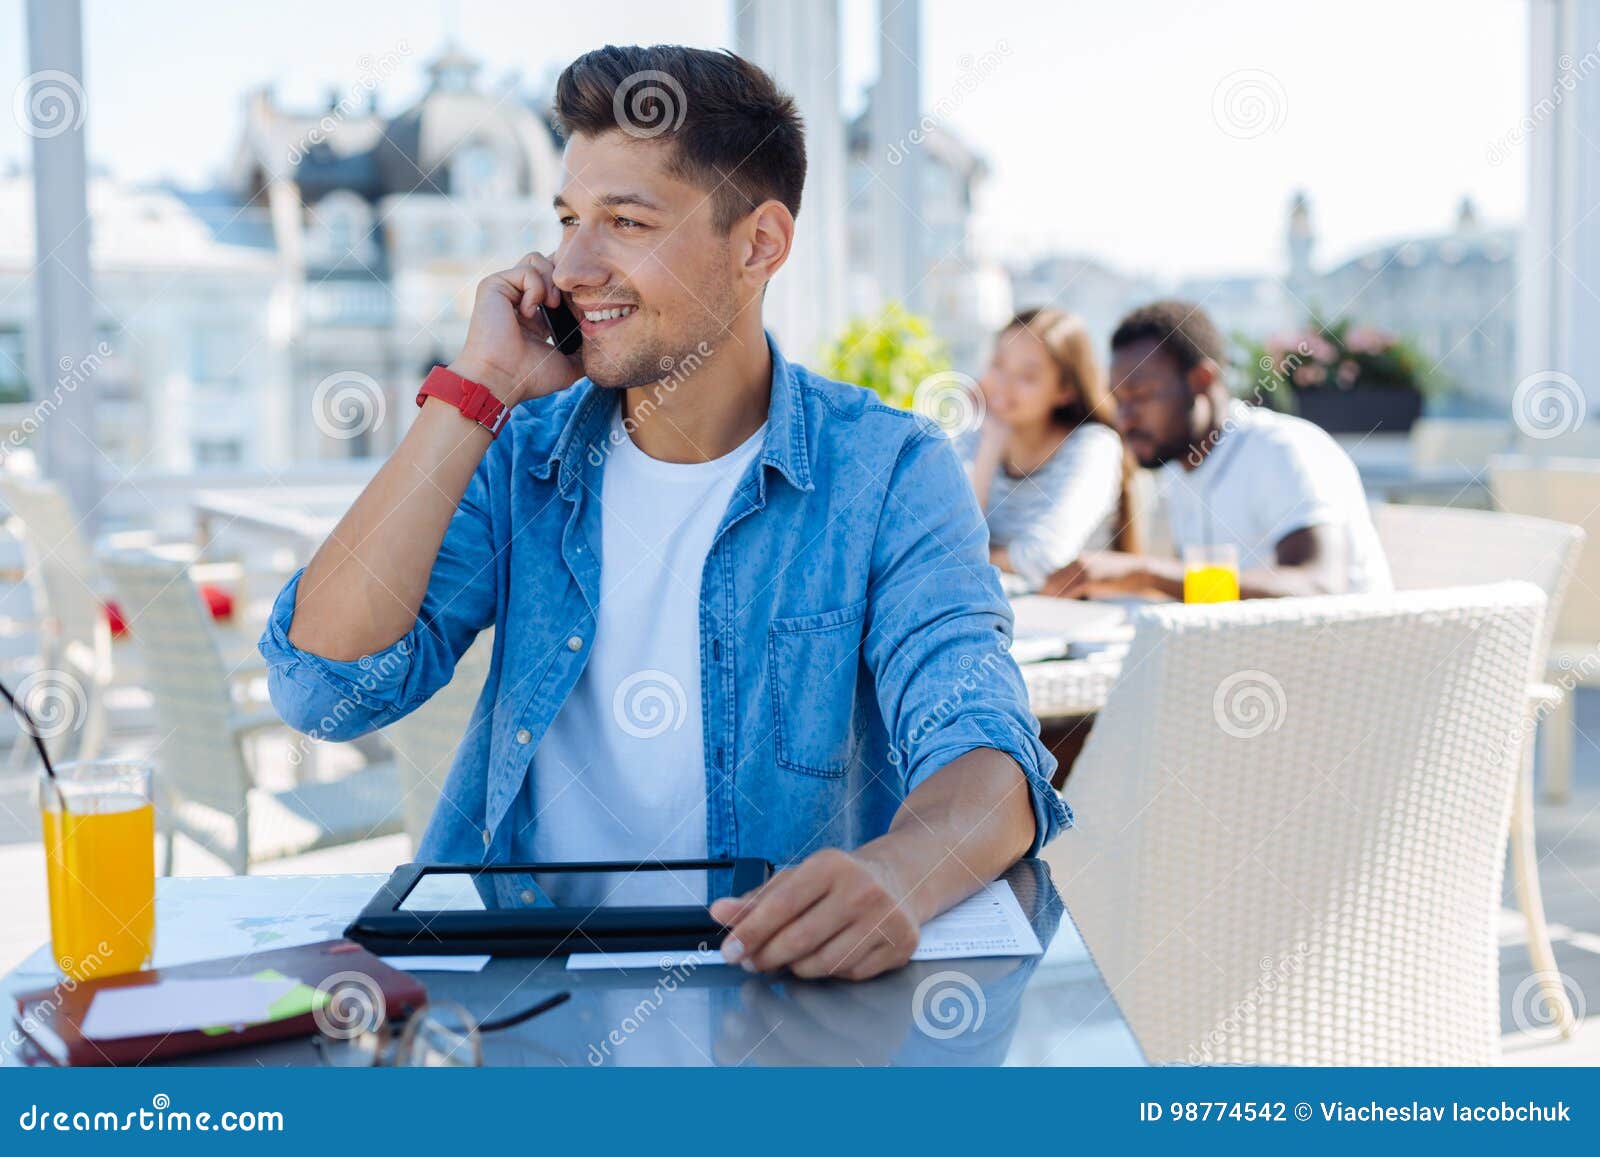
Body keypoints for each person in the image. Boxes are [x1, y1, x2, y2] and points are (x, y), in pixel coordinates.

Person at [259, 45, 1066, 982]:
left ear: (759, 244)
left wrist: (898, 873)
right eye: (566, 220)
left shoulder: (889, 472)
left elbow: (988, 750)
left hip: (773, 1005)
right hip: (524, 993)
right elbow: (321, 692)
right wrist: (475, 388)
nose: (571, 265)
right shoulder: (519, 454)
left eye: (625, 222)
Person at [1043, 299, 1390, 600]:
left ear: (1202, 382)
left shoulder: (1280, 449)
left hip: (1344, 669)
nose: (1125, 418)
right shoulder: (1182, 469)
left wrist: (1145, 573)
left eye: (1142, 396)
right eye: (1118, 400)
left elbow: (1318, 586)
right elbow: (1204, 593)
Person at [957, 308, 1141, 588]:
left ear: (1064, 390)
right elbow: (945, 539)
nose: (1003, 385)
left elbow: (1046, 560)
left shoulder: (1094, 447)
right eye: (997, 364)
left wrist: (961, 565)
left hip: (1071, 620)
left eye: (1027, 377)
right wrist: (990, 446)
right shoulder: (978, 434)